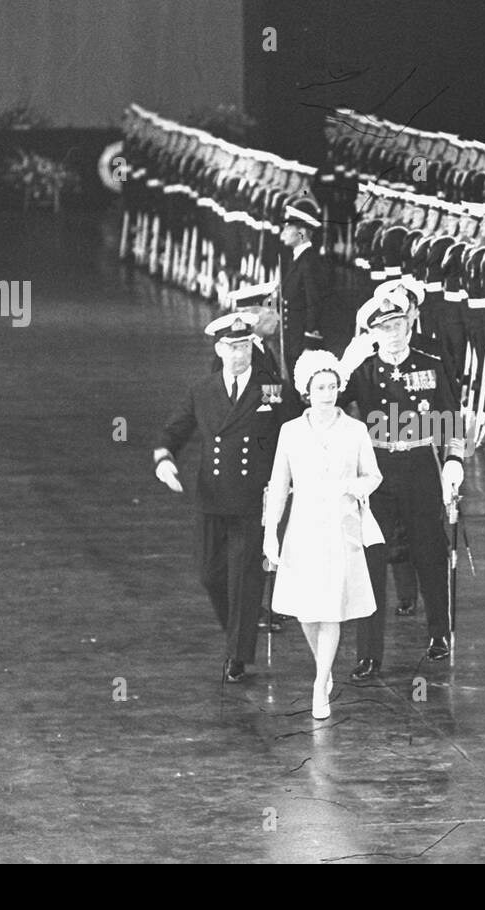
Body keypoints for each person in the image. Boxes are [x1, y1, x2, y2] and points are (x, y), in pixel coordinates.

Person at [154, 312, 299, 682]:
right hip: (212, 496)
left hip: (253, 497)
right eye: (232, 347)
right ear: (219, 349)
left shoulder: (272, 387)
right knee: (209, 574)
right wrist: (164, 459)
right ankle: (235, 631)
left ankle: (237, 654)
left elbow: (294, 429)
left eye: (245, 346)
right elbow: (175, 429)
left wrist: (292, 477)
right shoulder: (203, 390)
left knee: (245, 579)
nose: (239, 354)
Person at [339, 289, 466, 676]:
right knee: (373, 558)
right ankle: (368, 652)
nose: (393, 334)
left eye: (398, 325)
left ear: (409, 325)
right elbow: (329, 405)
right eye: (385, 327)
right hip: (377, 469)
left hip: (420, 465)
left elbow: (451, 416)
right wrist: (345, 365)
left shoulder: (430, 363)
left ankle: (439, 632)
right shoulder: (363, 370)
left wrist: (455, 460)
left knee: (429, 551)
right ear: (373, 332)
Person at [263, 351, 383, 720]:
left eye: (332, 386)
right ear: (306, 390)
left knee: (331, 610)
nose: (328, 394)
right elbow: (280, 484)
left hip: (341, 528)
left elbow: (373, 475)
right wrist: (271, 532)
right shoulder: (291, 431)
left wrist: (355, 486)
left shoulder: (356, 430)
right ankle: (324, 667)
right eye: (320, 387)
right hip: (302, 529)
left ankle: (319, 686)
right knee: (305, 612)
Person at [280, 198, 330, 370]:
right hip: (292, 340)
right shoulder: (296, 259)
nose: (283, 233)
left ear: (301, 233)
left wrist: (310, 343)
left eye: (287, 228)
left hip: (302, 344)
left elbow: (314, 303)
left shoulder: (309, 263)